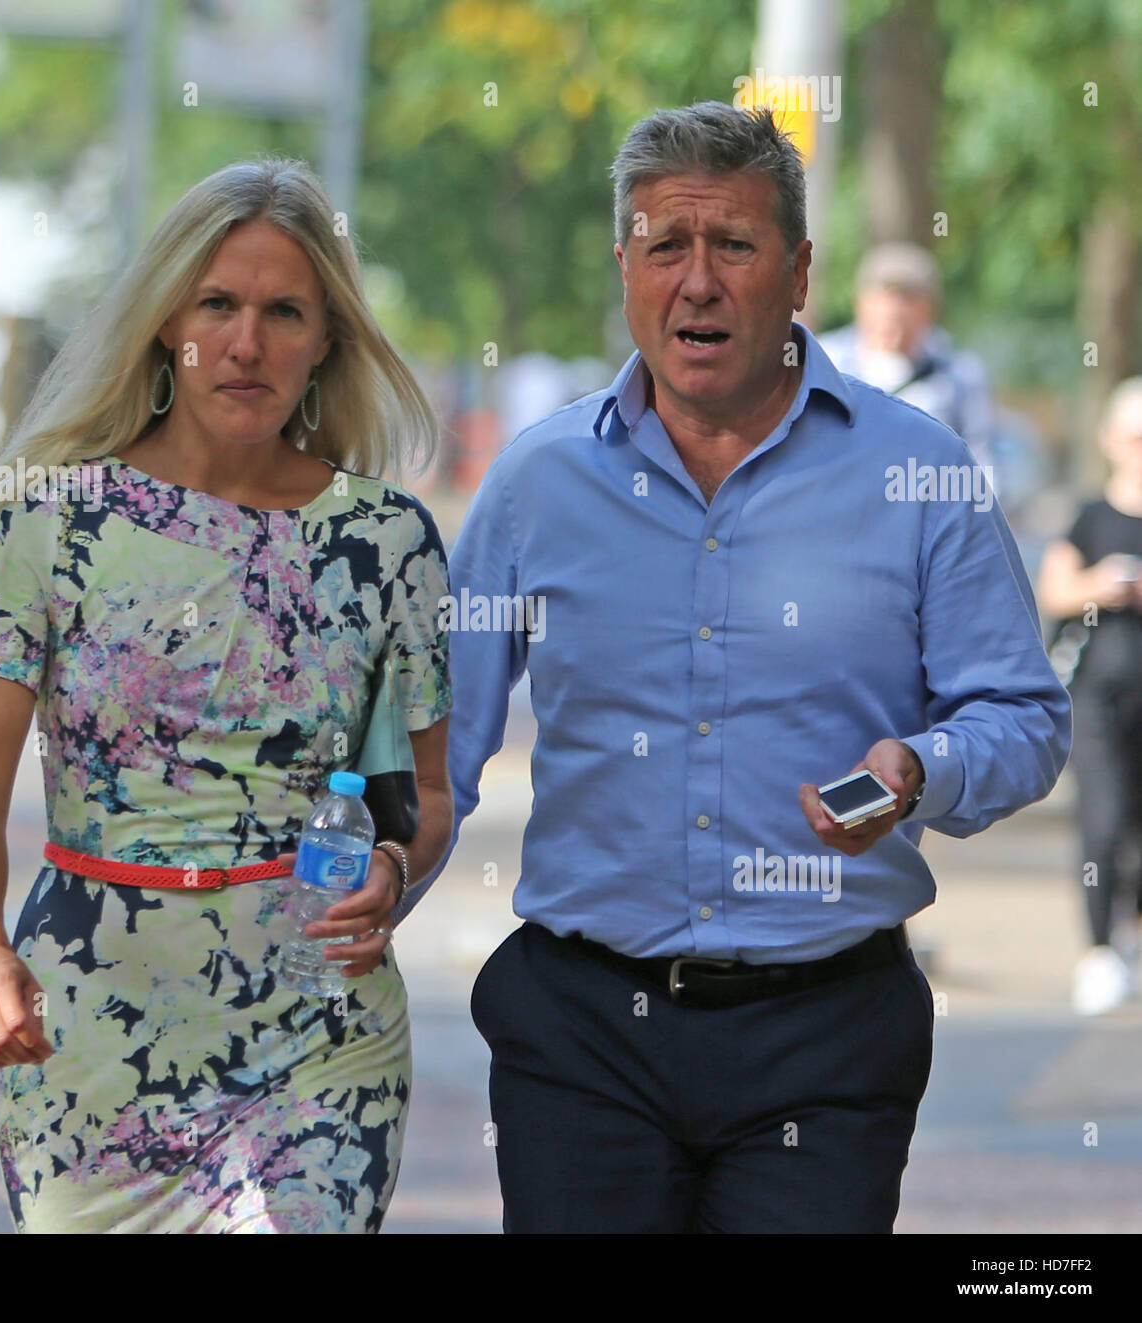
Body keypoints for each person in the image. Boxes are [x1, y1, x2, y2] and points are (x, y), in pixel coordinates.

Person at [402, 102, 1071, 1233]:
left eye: (735, 247)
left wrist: (917, 771)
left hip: (826, 1034)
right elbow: (437, 749)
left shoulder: (921, 473)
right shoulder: (536, 483)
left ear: (800, 271)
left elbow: (1022, 714)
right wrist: (365, 892)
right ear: (625, 268)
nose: (697, 282)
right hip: (581, 1034)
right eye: (666, 246)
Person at [0, 157, 454, 1233]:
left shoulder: (383, 541)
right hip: (92, 1028)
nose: (246, 342)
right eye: (216, 303)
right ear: (167, 320)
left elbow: (427, 798)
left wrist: (395, 867)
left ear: (325, 343)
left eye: (283, 312)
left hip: (321, 1034)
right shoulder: (50, 515)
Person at [1036, 378, 1142, 1016]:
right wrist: (1102, 585)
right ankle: (1099, 949)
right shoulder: (1090, 516)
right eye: (1133, 436)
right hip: (1098, 698)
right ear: (1109, 442)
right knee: (1102, 820)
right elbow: (1053, 591)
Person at [820, 241, 997, 471]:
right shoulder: (823, 362)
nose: (893, 310)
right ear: (860, 302)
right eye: (884, 297)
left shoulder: (959, 376)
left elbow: (981, 463)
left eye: (908, 300)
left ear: (930, 310)